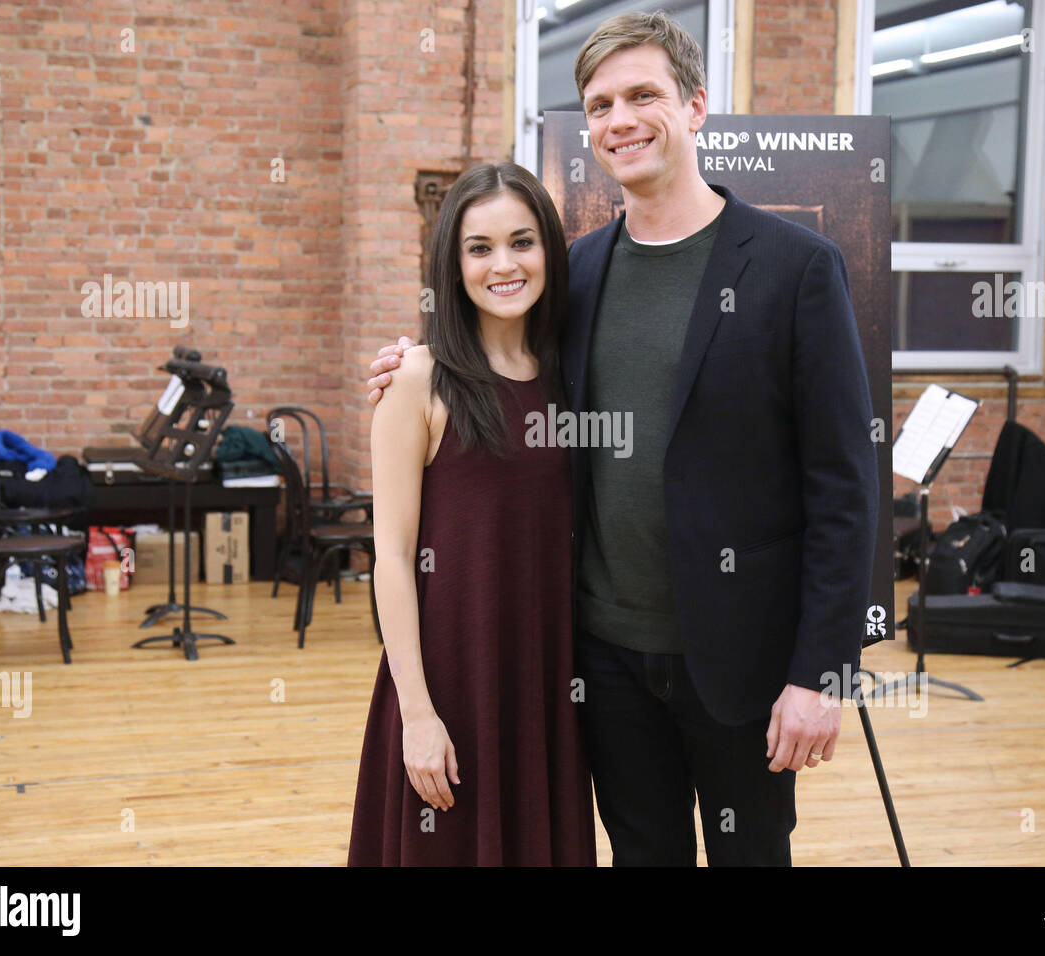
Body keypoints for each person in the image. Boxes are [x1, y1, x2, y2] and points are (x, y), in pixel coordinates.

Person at [366, 11, 878, 866]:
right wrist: (410, 362)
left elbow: (845, 488)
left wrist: (821, 671)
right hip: (600, 663)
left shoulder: (795, 268)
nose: (621, 120)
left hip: (743, 666)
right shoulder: (581, 272)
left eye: (643, 95)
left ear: (697, 107)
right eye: (600, 104)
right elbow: (501, 357)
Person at [347, 162, 597, 866]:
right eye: (480, 248)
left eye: (522, 241)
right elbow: (392, 557)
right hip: (450, 677)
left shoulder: (568, 376)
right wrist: (417, 713)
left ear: (549, 247)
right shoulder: (419, 378)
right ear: (452, 266)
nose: (504, 265)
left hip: (545, 679)